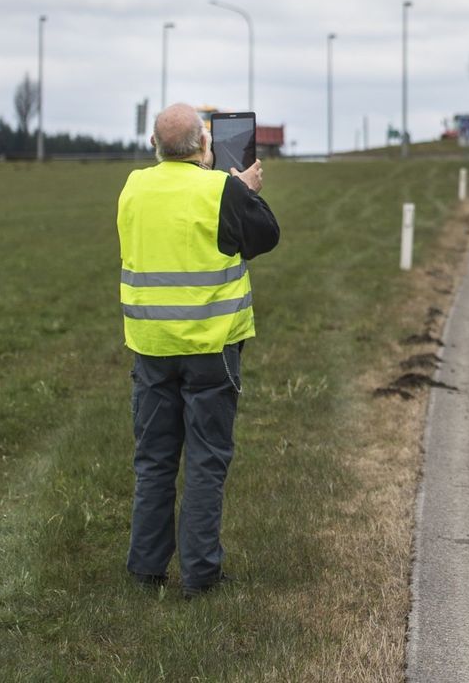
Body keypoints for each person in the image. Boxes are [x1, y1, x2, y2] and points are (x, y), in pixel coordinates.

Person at [119, 103, 279, 597]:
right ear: (205, 144)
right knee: (206, 462)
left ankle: (146, 568)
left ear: (153, 145)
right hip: (212, 347)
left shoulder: (133, 188)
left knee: (154, 461)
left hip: (152, 347)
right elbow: (265, 237)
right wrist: (244, 191)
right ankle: (200, 575)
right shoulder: (222, 191)